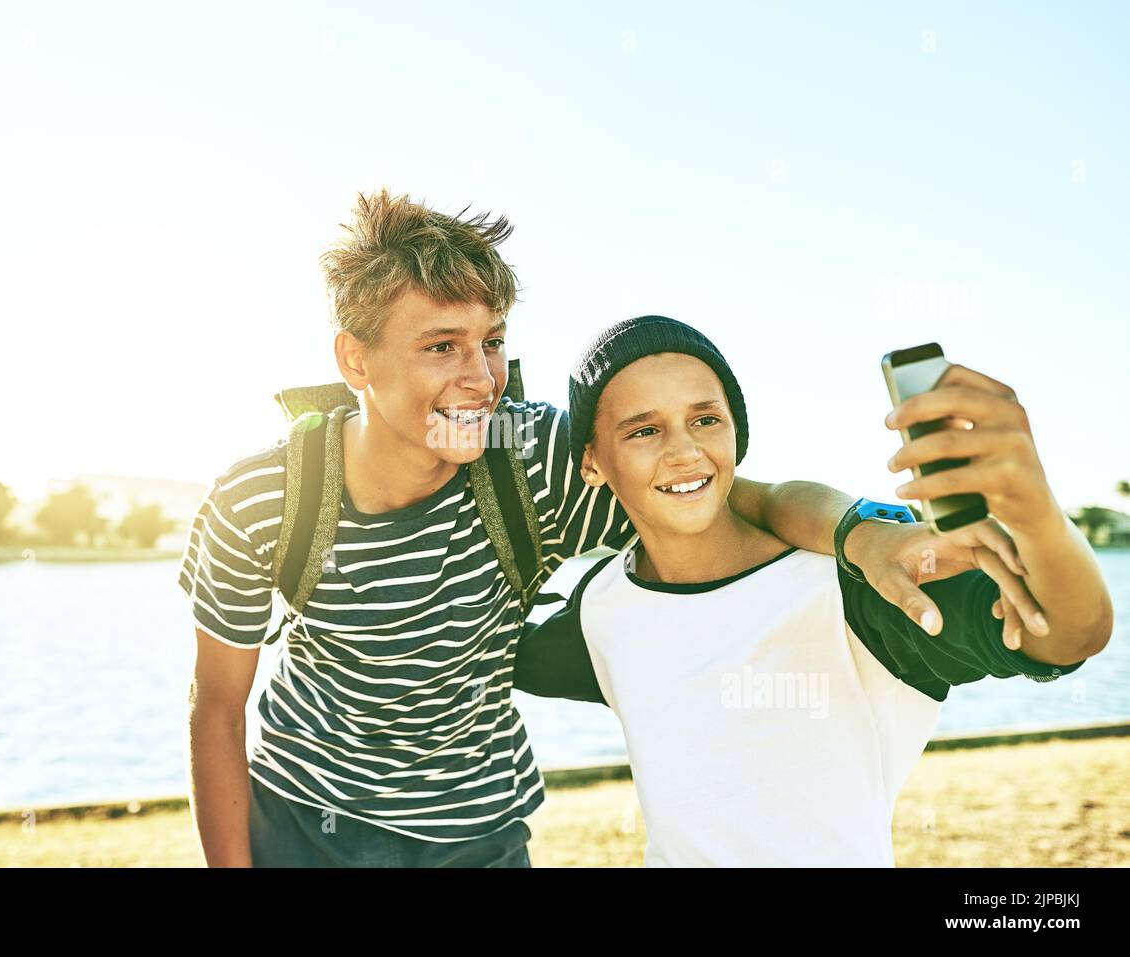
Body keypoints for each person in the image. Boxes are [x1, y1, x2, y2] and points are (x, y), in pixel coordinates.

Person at [177, 190, 1041, 868]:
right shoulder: (265, 499)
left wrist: (860, 531)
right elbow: (218, 709)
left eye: (493, 341)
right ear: (354, 360)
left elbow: (736, 495)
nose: (481, 378)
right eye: (441, 346)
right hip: (302, 822)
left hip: (480, 836)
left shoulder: (538, 457)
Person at [513, 315, 1112, 866]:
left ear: (736, 433)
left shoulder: (853, 588)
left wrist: (1036, 518)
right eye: (643, 430)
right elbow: (480, 650)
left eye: (705, 419)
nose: (684, 449)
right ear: (592, 462)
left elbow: (1064, 634)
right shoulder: (602, 608)